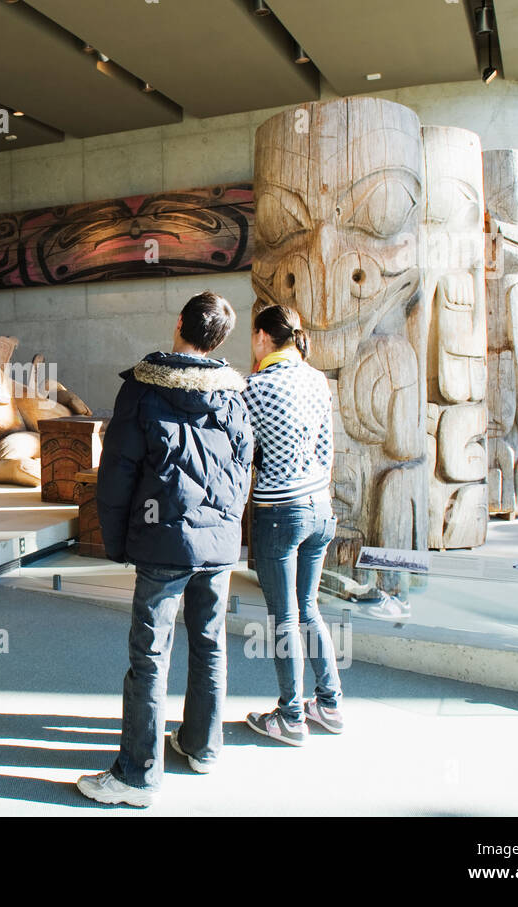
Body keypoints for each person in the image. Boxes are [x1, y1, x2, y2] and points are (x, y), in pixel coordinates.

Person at [77, 292, 253, 807]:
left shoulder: (142, 387)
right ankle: (201, 745)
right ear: (219, 339)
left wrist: (116, 541)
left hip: (164, 541)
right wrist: (228, 527)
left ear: (179, 323)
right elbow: (243, 468)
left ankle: (137, 776)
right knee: (210, 642)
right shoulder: (234, 395)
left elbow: (117, 471)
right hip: (218, 543)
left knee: (150, 656)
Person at [240, 304, 343, 746]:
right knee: (308, 608)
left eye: (253, 336)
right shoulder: (317, 380)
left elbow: (243, 451)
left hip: (280, 512)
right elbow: (326, 449)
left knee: (284, 618)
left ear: (263, 337)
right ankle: (330, 704)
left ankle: (290, 716)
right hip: (320, 507)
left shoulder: (255, 387)